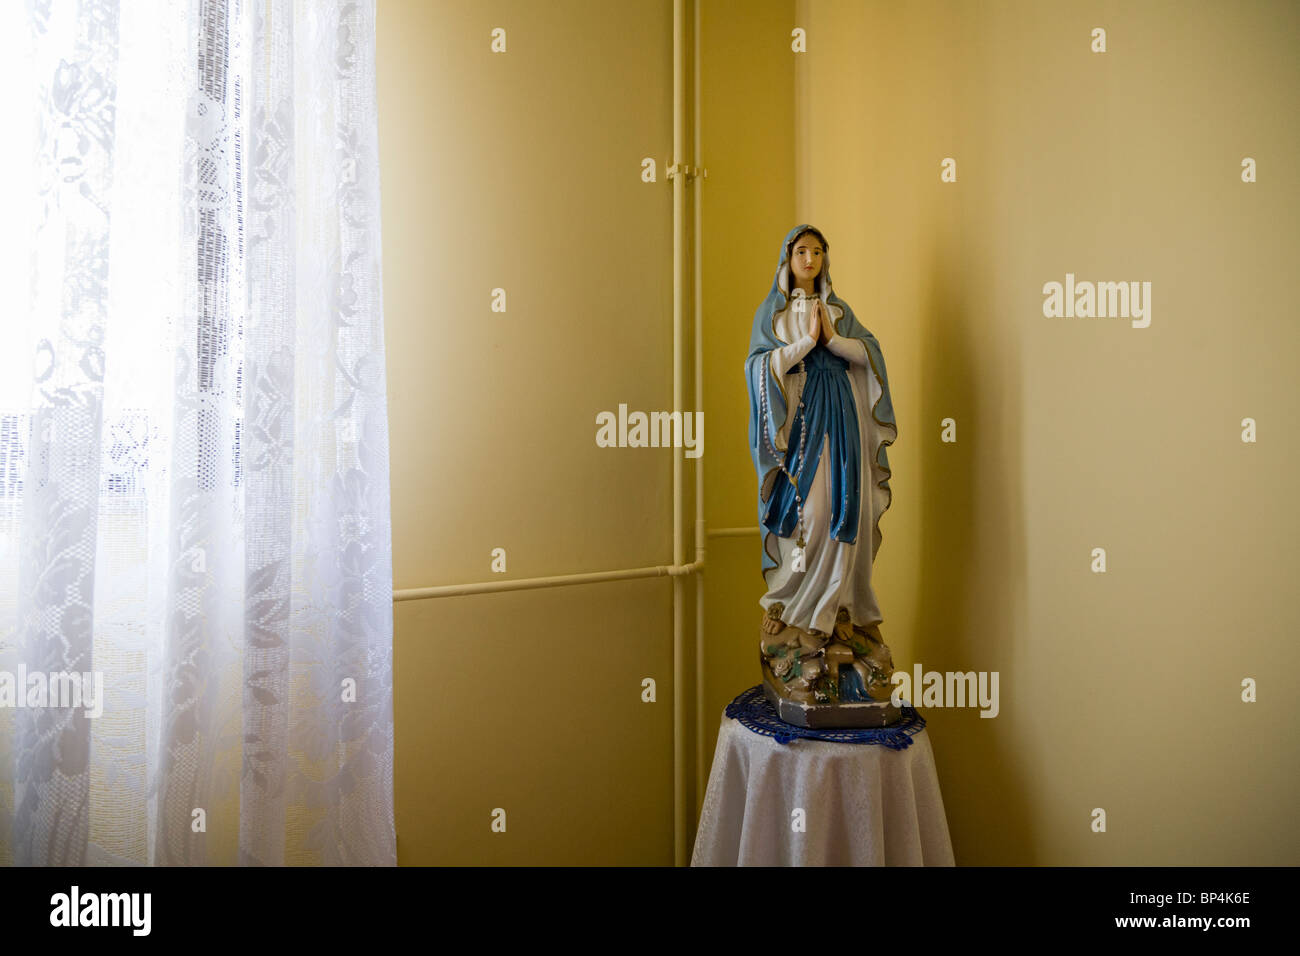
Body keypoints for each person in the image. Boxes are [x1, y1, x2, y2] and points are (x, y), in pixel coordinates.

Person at [744, 224, 899, 705]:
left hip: (843, 420)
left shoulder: (838, 312)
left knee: (845, 511)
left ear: (825, 259)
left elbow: (870, 356)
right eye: (801, 251)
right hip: (803, 425)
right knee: (808, 513)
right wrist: (805, 346)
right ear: (787, 259)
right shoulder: (774, 316)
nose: (809, 259)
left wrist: (832, 339)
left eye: (817, 251)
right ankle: (791, 605)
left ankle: (839, 611)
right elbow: (758, 368)